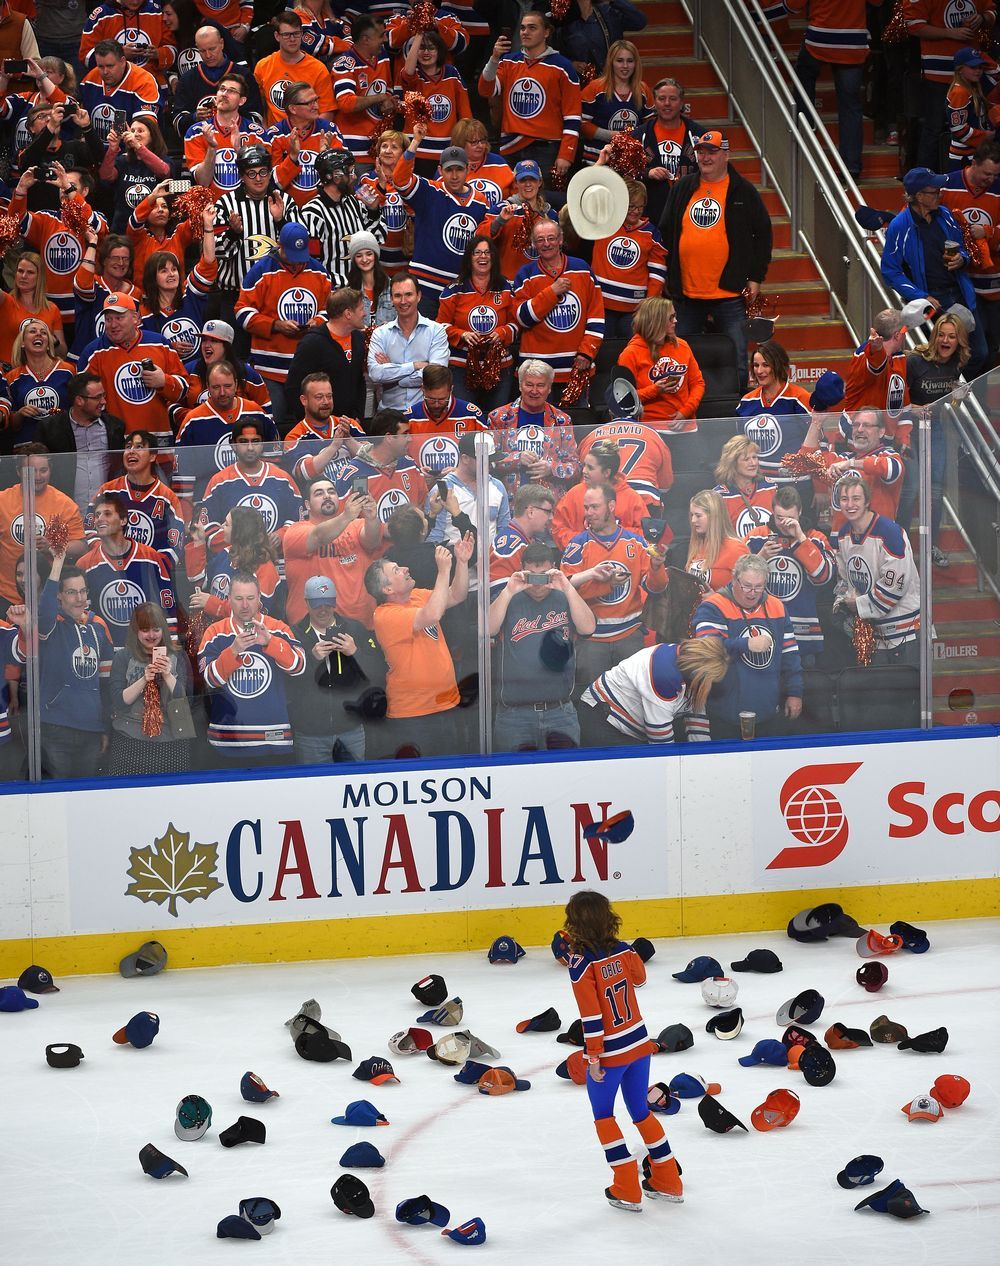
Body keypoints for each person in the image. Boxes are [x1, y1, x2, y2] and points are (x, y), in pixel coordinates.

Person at [561, 888, 682, 1212]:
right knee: (640, 1112)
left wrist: (594, 1057)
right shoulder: (624, 950)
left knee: (604, 1116)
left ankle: (627, 1185)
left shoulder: (580, 963)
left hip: (611, 1053)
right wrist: (623, 958)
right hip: (639, 1044)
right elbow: (640, 979)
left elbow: (591, 1015)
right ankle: (668, 1179)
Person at [659, 129, 772, 385]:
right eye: (701, 152)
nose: (705, 157)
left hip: (729, 295)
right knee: (678, 361)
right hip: (686, 295)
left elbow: (763, 234)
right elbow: (665, 230)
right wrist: (667, 273)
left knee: (737, 362)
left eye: (712, 152)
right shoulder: (683, 187)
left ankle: (738, 410)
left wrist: (756, 277)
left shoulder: (743, 190)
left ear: (726, 155)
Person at [365, 530, 475, 757]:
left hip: (445, 704)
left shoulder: (417, 596)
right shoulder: (385, 615)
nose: (405, 569)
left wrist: (462, 563)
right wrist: (443, 570)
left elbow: (456, 595)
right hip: (412, 715)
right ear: (387, 589)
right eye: (396, 570)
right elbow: (433, 615)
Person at [7, 548, 113, 780]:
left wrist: (105, 727)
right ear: (58, 596)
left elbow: (106, 685)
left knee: (85, 799)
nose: (80, 598)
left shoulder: (99, 626)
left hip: (91, 730)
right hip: (54, 729)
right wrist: (57, 562)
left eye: (83, 591)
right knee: (56, 799)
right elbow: (43, 613)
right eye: (72, 592)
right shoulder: (50, 624)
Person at [488, 542, 595, 751]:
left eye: (544, 574)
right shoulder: (509, 597)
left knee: (565, 779)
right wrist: (509, 591)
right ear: (521, 570)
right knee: (512, 781)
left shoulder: (565, 596)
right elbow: (488, 630)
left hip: (560, 711)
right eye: (532, 574)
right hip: (514, 715)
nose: (537, 582)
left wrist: (566, 585)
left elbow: (587, 628)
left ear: (554, 569)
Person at [881, 167, 988, 376]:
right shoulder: (899, 226)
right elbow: (890, 271)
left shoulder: (945, 214)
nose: (940, 194)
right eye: (934, 191)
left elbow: (963, 247)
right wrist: (922, 297)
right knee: (938, 356)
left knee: (979, 353)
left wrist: (961, 259)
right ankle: (948, 397)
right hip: (932, 300)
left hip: (960, 293)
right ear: (919, 196)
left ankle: (957, 392)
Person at [562, 483, 667, 695]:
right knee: (590, 701)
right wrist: (604, 585)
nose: (588, 513)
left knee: (634, 700)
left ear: (611, 506)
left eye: (594, 507)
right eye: (586, 507)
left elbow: (656, 588)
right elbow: (564, 589)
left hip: (629, 636)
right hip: (591, 640)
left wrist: (657, 568)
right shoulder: (578, 545)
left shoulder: (636, 542)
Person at [199, 570, 306, 762]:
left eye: (250, 598)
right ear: (229, 599)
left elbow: (298, 667)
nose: (245, 605)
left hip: (274, 739)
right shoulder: (215, 632)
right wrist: (233, 651)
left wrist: (270, 643)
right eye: (239, 598)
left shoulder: (278, 628)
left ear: (259, 599)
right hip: (227, 741)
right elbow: (210, 680)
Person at [694, 552, 803, 740]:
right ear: (735, 580)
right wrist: (746, 644)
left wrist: (795, 692)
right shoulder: (713, 606)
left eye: (759, 587)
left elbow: (790, 654)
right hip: (725, 711)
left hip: (768, 709)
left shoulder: (776, 606)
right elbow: (705, 649)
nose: (752, 593)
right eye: (747, 586)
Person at [236, 220, 332, 431]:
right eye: (291, 255)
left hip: (307, 368)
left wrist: (317, 321)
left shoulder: (319, 272)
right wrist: (275, 325)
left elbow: (330, 310)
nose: (297, 262)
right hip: (269, 369)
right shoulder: (260, 271)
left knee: (310, 428)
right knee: (272, 426)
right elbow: (241, 313)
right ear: (280, 245)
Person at [287, 573, 387, 765]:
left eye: (328, 603)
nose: (323, 610)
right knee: (313, 790)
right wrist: (310, 659)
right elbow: (287, 683)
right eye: (317, 604)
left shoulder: (354, 629)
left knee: (354, 786)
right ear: (306, 603)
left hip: (351, 730)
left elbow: (378, 673)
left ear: (335, 601)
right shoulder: (295, 634)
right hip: (310, 735)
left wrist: (355, 652)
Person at [477, 11, 581, 187]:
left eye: (532, 28)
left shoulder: (563, 67)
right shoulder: (508, 62)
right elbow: (485, 90)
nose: (525, 32)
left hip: (546, 150)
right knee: (510, 204)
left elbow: (573, 115)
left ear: (546, 32)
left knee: (540, 204)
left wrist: (566, 154)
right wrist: (495, 58)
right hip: (510, 145)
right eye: (523, 28)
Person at [393, 130, 489, 315]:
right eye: (449, 170)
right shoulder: (429, 190)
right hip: (424, 287)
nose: (454, 176)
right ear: (439, 170)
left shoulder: (480, 201)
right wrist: (415, 143)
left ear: (468, 169)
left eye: (459, 169)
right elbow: (400, 180)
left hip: (458, 290)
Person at [831, 473, 921, 667]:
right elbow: (844, 579)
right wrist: (843, 600)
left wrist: (860, 605)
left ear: (867, 501)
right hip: (874, 634)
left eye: (856, 498)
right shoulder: (843, 535)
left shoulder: (890, 533)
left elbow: (896, 584)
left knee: (906, 694)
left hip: (905, 631)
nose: (850, 504)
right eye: (844, 499)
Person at [77, 291, 189, 445]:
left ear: (135, 318)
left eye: (119, 318)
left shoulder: (160, 344)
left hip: (159, 442)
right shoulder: (92, 353)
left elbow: (184, 390)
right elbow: (81, 402)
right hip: (114, 445)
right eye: (108, 319)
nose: (113, 324)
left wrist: (164, 381)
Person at [745, 484, 835, 667]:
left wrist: (801, 539)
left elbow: (823, 576)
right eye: (779, 518)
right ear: (772, 512)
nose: (785, 524)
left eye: (790, 518)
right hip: (764, 631)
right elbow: (738, 583)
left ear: (800, 512)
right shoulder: (756, 537)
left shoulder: (816, 538)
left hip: (804, 634)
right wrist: (760, 557)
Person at [907, 310, 971, 565]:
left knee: (935, 492)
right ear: (934, 337)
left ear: (959, 341)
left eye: (952, 336)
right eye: (941, 335)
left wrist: (956, 400)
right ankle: (899, 551)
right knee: (910, 490)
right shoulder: (914, 361)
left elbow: (948, 406)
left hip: (935, 432)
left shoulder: (956, 364)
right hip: (908, 431)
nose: (946, 341)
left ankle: (930, 547)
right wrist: (914, 410)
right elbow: (893, 400)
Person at [581, 636, 729, 744]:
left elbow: (696, 715)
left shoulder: (689, 664)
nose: (710, 685)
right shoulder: (664, 674)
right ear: (700, 673)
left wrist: (703, 758)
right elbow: (660, 742)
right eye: (710, 680)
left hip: (627, 723)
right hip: (602, 717)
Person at [513, 217, 605, 391]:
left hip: (576, 366)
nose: (546, 244)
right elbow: (523, 318)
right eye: (540, 239)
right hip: (536, 372)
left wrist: (587, 351)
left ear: (561, 240)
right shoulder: (525, 274)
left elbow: (596, 316)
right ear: (533, 244)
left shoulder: (582, 269)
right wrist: (552, 292)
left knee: (578, 417)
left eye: (551, 238)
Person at [77, 491, 175, 648]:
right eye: (97, 515)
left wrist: (166, 652)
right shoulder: (84, 565)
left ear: (123, 520)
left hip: (146, 652)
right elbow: (82, 616)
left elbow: (167, 610)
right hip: (106, 652)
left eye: (107, 514)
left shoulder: (151, 558)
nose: (100, 519)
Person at [173, 359, 278, 507]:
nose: (222, 393)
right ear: (207, 387)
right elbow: (183, 478)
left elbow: (274, 459)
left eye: (227, 386)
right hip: (207, 501)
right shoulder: (193, 420)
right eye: (216, 387)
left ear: (236, 384)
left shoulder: (256, 412)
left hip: (253, 497)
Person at [616, 295, 704, 468]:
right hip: (651, 432)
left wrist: (686, 412)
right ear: (656, 321)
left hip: (686, 429)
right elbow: (624, 400)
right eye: (671, 317)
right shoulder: (630, 354)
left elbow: (698, 384)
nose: (676, 321)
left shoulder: (682, 346)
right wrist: (655, 389)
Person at [907, 0, 996, 169]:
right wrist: (949, 32)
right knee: (934, 128)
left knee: (978, 121)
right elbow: (914, 25)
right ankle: (923, 184)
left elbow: (992, 11)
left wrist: (982, 18)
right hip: (938, 71)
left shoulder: (975, 72)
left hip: (972, 70)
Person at [282, 479, 384, 627]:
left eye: (331, 492)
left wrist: (372, 517)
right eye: (319, 493)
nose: (327, 496)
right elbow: (319, 536)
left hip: (362, 625)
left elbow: (373, 541)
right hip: (315, 628)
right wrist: (347, 515)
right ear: (307, 505)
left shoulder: (356, 525)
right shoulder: (295, 531)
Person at [108, 601, 193, 775]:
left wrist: (168, 676)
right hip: (130, 741)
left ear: (163, 630)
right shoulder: (123, 657)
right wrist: (144, 679)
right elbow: (118, 701)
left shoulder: (177, 656)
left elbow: (186, 700)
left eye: (156, 629)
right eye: (145, 630)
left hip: (171, 742)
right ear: (135, 631)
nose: (151, 635)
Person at [785, 0, 867, 179]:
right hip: (853, 43)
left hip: (819, 39)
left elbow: (792, 5)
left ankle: (805, 127)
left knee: (803, 80)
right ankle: (851, 168)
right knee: (850, 106)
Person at [437, 237, 518, 414]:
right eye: (478, 252)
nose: (483, 257)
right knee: (467, 418)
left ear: (494, 257)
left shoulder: (505, 287)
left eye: (487, 252)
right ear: (469, 257)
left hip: (500, 367)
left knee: (497, 418)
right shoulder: (454, 289)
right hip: (461, 367)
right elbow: (440, 326)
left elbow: (517, 323)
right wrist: (461, 335)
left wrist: (503, 332)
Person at [213, 143, 294, 319]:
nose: (258, 178)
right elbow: (216, 253)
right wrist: (233, 233)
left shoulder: (285, 201)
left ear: (270, 173)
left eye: (263, 172)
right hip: (235, 296)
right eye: (251, 173)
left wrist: (281, 222)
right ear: (242, 176)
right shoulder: (225, 204)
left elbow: (300, 249)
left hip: (278, 292)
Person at [0, 447, 86, 609]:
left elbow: (81, 546)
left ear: (50, 470)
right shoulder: (2, 500)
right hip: (6, 594)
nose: (38, 477)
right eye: (31, 471)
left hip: (49, 594)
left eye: (43, 470)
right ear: (19, 472)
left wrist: (53, 547)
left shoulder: (65, 504)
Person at [201, 415, 303, 547]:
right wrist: (240, 542)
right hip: (233, 564)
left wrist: (281, 535)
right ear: (233, 444)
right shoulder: (218, 482)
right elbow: (208, 529)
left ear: (263, 444)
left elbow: (298, 520)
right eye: (243, 441)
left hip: (276, 561)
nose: (250, 447)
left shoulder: (283, 479)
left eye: (255, 441)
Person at [88, 430, 184, 568]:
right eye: (128, 447)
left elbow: (175, 546)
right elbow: (89, 528)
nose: (131, 451)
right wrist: (107, 555)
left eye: (139, 447)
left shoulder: (167, 497)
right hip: (110, 570)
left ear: (152, 456)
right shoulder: (107, 490)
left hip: (150, 575)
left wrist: (152, 566)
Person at [737, 339, 814, 507]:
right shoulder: (746, 402)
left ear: (778, 365)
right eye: (756, 366)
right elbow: (740, 447)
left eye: (766, 365)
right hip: (760, 486)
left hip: (797, 485)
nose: (760, 371)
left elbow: (819, 445)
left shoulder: (800, 398)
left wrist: (821, 488)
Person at [488, 359, 581, 498]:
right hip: (509, 500)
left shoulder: (562, 420)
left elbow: (576, 468)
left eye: (541, 385)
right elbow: (487, 462)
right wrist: (517, 459)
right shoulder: (499, 417)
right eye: (529, 385)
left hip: (549, 502)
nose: (534, 391)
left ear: (549, 388)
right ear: (520, 386)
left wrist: (551, 468)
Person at [138, 203, 219, 362]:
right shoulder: (143, 312)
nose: (171, 274)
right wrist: (168, 347)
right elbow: (142, 351)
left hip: (199, 371)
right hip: (167, 378)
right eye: (163, 271)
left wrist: (208, 226)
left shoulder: (190, 293)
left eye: (174, 269)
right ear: (152, 277)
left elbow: (209, 262)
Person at [798, 406, 905, 526]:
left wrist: (851, 464)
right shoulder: (842, 459)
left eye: (867, 425)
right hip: (841, 539)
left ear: (881, 431)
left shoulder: (887, 455)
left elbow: (892, 468)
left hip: (876, 538)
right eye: (856, 425)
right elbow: (805, 461)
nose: (859, 429)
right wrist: (816, 422)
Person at [941, 138, 1000, 354]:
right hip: (958, 285)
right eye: (987, 174)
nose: (991, 179)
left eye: (995, 175)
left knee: (990, 349)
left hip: (993, 286)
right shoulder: (946, 185)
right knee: (968, 349)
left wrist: (988, 232)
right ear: (973, 163)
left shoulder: (999, 190)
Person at [36, 372, 126, 509]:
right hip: (65, 509)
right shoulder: (50, 429)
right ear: (79, 400)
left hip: (106, 510)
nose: (103, 402)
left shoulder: (115, 427)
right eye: (97, 397)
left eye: (103, 395)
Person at [591, 178, 666, 338]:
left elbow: (657, 273)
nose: (635, 211)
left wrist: (649, 305)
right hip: (601, 305)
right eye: (631, 206)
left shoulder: (651, 233)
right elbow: (588, 196)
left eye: (640, 206)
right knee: (603, 352)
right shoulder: (605, 222)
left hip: (634, 310)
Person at [367, 272, 450, 411]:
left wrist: (395, 372)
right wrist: (415, 365)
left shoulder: (436, 331)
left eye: (408, 294)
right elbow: (375, 374)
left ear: (418, 296)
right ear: (392, 299)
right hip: (389, 413)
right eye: (398, 296)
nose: (403, 301)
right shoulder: (380, 333)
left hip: (424, 412)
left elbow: (436, 375)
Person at [285, 287, 367, 424]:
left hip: (350, 424)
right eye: (361, 309)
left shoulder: (358, 339)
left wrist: (358, 415)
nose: (364, 314)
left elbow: (359, 382)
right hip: (319, 428)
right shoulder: (312, 343)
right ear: (348, 313)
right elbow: (293, 388)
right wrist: (312, 422)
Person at [300, 149, 382, 286]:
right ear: (336, 176)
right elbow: (310, 263)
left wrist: (373, 210)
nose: (354, 177)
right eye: (350, 172)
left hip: (360, 290)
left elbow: (377, 239)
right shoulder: (312, 213)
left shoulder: (354, 202)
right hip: (333, 294)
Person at [395, 29, 471, 173]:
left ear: (440, 51)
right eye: (421, 48)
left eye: (431, 48)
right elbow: (408, 72)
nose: (426, 52)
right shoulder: (413, 75)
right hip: (416, 149)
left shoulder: (452, 73)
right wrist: (418, 35)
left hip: (446, 151)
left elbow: (465, 111)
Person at [335, 409, 429, 524]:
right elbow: (341, 524)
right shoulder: (354, 475)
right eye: (405, 434)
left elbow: (422, 506)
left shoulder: (409, 465)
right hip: (371, 542)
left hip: (409, 541)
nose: (410, 439)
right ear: (389, 437)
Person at [267, 76, 347, 211]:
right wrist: (292, 157)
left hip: (327, 211)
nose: (316, 106)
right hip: (288, 212)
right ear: (293, 109)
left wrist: (326, 158)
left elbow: (345, 179)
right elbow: (272, 184)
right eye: (309, 103)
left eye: (316, 100)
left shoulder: (330, 131)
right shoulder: (275, 135)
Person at [842, 309, 914, 456]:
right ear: (897, 335)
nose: (906, 333)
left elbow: (902, 402)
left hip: (885, 440)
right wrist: (876, 348)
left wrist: (903, 437)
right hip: (859, 438)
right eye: (905, 330)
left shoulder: (899, 357)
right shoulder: (867, 354)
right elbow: (876, 366)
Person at [552, 440, 647, 549]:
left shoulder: (632, 498)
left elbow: (646, 534)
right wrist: (585, 543)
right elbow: (558, 529)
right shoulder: (574, 494)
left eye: (590, 468)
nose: (584, 471)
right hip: (584, 560)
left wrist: (615, 538)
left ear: (607, 472)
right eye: (584, 466)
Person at [477, 157, 559, 282]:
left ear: (540, 182)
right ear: (515, 183)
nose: (528, 184)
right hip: (507, 283)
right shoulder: (501, 209)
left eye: (532, 179)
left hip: (540, 283)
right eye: (523, 180)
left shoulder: (550, 214)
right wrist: (500, 221)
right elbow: (479, 238)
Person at [637, 76, 703, 224]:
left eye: (673, 98)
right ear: (654, 102)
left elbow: (711, 172)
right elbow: (625, 173)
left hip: (689, 214)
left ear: (681, 103)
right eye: (661, 98)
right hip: (650, 216)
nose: (667, 103)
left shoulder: (700, 135)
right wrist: (648, 173)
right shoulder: (639, 135)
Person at [427, 430, 510, 548]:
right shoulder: (443, 489)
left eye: (491, 460)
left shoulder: (498, 487)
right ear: (465, 458)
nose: (490, 465)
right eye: (485, 460)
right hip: (455, 562)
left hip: (490, 562)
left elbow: (504, 530)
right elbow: (434, 537)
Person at [282, 370, 364, 489]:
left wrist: (348, 439)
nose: (326, 402)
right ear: (304, 400)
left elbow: (371, 458)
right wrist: (334, 446)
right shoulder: (295, 436)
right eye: (319, 397)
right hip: (323, 501)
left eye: (329, 396)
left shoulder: (349, 424)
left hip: (355, 494)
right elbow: (304, 473)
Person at [1, 320, 75, 450]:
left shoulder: (68, 370)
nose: (38, 335)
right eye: (32, 331)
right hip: (26, 448)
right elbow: (11, 424)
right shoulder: (12, 377)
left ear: (48, 344)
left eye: (43, 333)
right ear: (22, 343)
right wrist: (20, 413)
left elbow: (77, 408)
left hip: (61, 445)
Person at [578, 409, 673, 510]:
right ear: (639, 413)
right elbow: (665, 485)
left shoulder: (590, 436)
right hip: (643, 498)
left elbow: (579, 474)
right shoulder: (653, 435)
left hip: (598, 498)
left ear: (610, 414)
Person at [404, 365, 487, 479]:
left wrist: (461, 472)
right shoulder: (409, 418)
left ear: (451, 390)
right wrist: (417, 471)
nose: (437, 404)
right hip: (422, 487)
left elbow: (488, 458)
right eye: (431, 399)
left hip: (464, 488)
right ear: (422, 389)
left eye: (442, 399)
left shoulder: (472, 415)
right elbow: (398, 458)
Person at [329, 14, 393, 165]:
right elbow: (346, 103)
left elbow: (388, 88)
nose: (385, 40)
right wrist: (380, 98)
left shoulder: (383, 56)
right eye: (381, 36)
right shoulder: (345, 64)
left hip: (380, 148)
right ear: (365, 39)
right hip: (353, 150)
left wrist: (389, 102)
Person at [254, 10, 334, 128]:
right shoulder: (263, 66)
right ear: (277, 36)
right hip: (275, 138)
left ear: (302, 34)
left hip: (308, 135)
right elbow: (258, 107)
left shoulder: (318, 69)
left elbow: (327, 112)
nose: (292, 39)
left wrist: (309, 136)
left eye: (296, 33)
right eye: (286, 35)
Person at [579, 38, 651, 166]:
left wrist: (633, 137)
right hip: (596, 159)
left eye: (630, 61)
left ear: (636, 63)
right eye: (619, 61)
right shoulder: (595, 88)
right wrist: (612, 135)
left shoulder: (643, 90)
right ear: (611, 62)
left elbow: (651, 125)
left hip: (631, 161)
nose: (625, 66)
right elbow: (582, 124)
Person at [78, 38, 161, 145]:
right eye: (100, 66)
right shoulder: (90, 79)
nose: (105, 72)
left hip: (131, 153)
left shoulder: (143, 81)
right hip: (96, 152)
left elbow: (145, 129)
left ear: (122, 61)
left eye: (110, 66)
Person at [102, 117, 173, 233]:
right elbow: (106, 176)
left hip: (152, 230)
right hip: (122, 229)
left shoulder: (165, 160)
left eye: (140, 131)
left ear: (153, 135)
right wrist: (113, 148)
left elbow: (164, 172)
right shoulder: (123, 160)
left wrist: (138, 147)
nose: (135, 134)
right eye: (133, 131)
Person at [488, 482, 556, 597]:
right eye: (548, 512)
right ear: (530, 512)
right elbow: (496, 593)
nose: (551, 518)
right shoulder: (511, 545)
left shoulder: (521, 538)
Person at [0, 251, 65, 364]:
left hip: (37, 375)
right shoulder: (5, 300)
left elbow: (62, 353)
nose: (24, 276)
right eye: (20, 271)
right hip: (6, 374)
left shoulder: (52, 309)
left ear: (39, 277)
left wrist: (53, 340)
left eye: (30, 272)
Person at [558, 0, 647, 81]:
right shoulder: (562, 19)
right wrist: (570, 64)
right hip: (579, 83)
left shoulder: (609, 12)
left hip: (612, 81)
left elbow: (639, 22)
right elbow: (552, 49)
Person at [712, 435, 776, 538]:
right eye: (746, 459)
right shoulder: (719, 496)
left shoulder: (770, 487)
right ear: (732, 463)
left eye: (754, 457)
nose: (753, 463)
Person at [686, 489, 749, 590]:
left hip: (721, 605)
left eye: (698, 516)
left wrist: (716, 598)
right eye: (692, 515)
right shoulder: (698, 543)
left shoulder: (735, 549)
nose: (693, 520)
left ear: (714, 517)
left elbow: (748, 592)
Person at [946, 46, 998, 168]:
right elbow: (958, 130)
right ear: (960, 69)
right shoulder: (959, 92)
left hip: (976, 152)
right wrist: (985, 136)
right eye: (973, 67)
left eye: (980, 67)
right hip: (963, 158)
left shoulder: (974, 86)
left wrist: (979, 53)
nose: (978, 71)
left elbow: (996, 74)